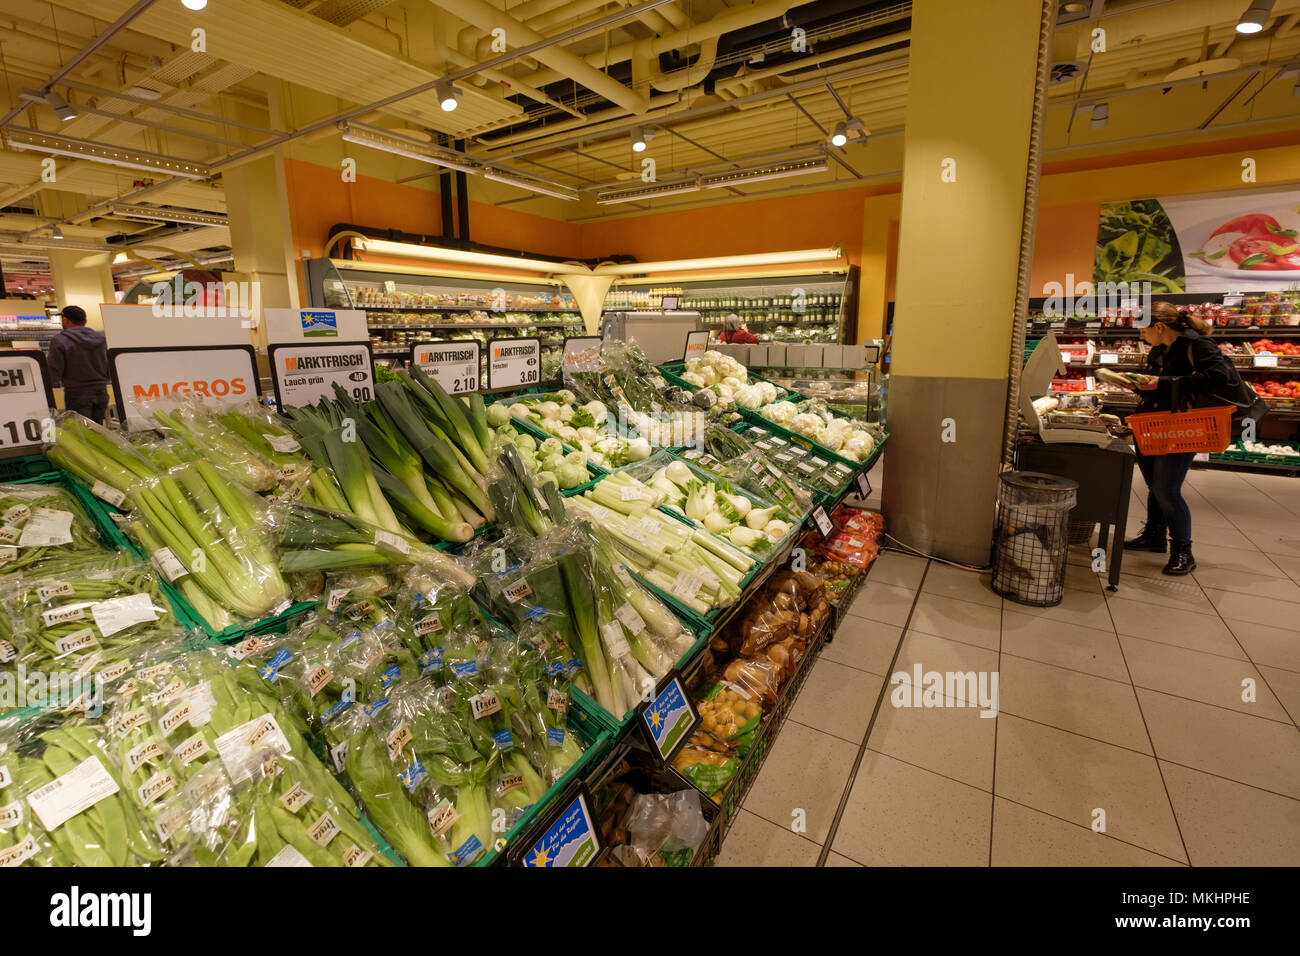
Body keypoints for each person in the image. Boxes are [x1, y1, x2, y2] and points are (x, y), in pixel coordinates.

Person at [1124, 302, 1234, 575]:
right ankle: (1154, 536)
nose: (1140, 336)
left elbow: (1220, 376)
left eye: (1142, 330)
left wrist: (1163, 383)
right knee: (1154, 485)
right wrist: (1140, 384)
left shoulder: (1197, 345)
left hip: (1184, 426)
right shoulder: (1161, 348)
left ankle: (1184, 551)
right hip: (1155, 423)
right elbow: (1162, 384)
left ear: (1158, 327)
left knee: (1167, 489)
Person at [48, 305, 110, 425]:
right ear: (85, 321)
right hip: (101, 391)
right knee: (98, 430)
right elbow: (109, 365)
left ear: (65, 320)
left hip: (77, 393)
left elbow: (54, 370)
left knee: (81, 431)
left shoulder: (60, 340)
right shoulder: (101, 339)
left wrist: (48, 385)